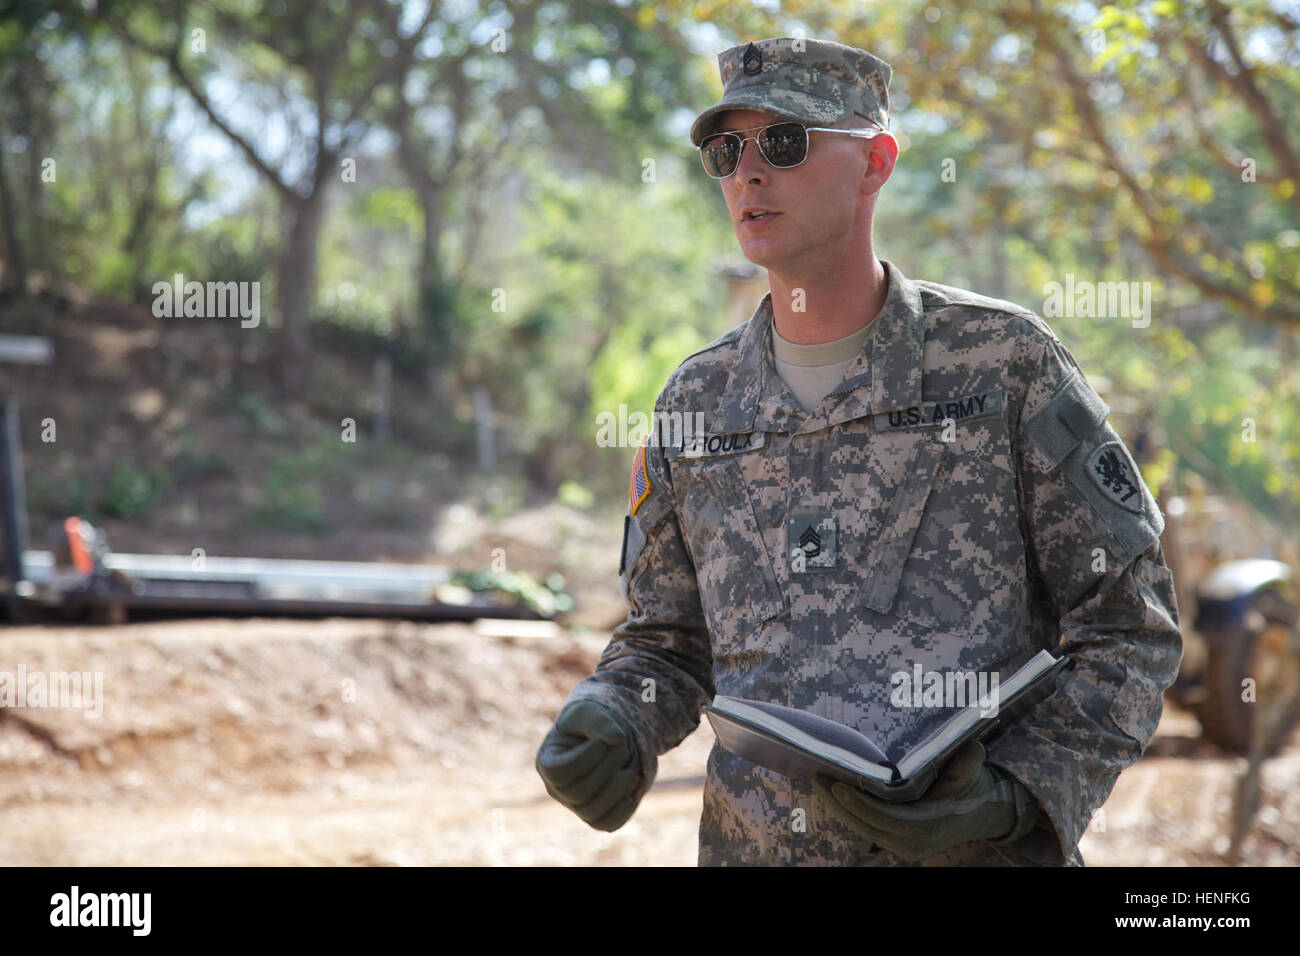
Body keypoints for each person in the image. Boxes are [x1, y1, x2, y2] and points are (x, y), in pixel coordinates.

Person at [535, 36, 1182, 866]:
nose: (748, 174)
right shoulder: (693, 405)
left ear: (875, 163)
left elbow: (1131, 627)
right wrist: (617, 716)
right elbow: (668, 641)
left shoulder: (1004, 366)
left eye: (785, 142)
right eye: (725, 151)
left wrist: (1016, 796)